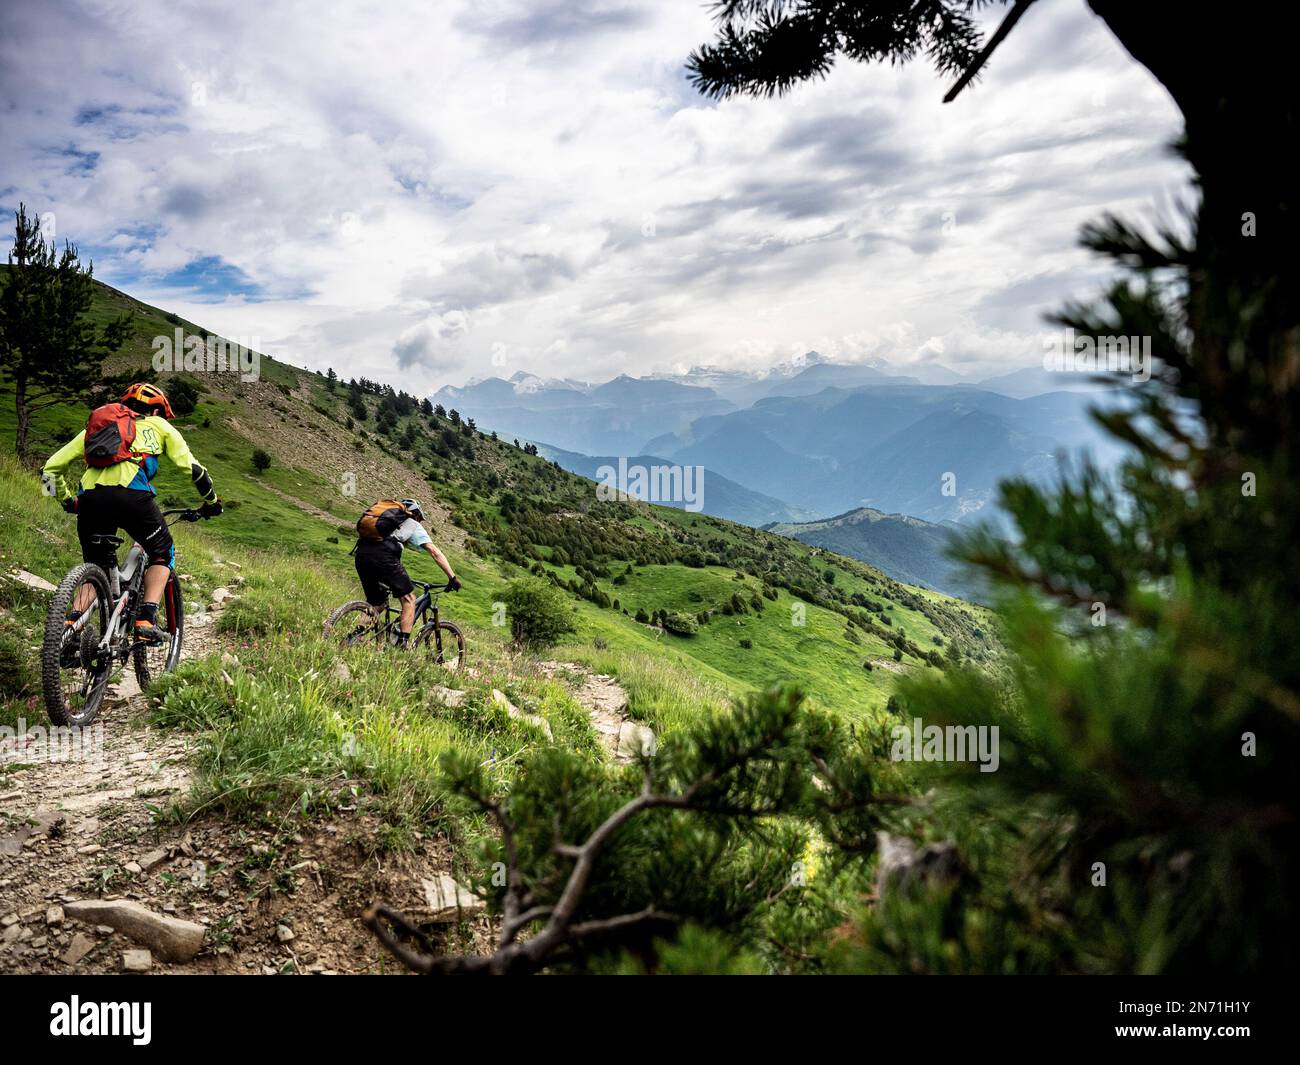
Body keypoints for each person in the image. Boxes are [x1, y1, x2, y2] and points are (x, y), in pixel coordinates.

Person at [43, 382, 222, 643]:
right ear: (157, 412)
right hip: (132, 496)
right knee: (162, 552)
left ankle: (70, 628)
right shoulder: (160, 426)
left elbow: (49, 469)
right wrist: (212, 502)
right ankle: (145, 620)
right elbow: (195, 471)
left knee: (97, 566)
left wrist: (68, 501)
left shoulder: (99, 427)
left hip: (90, 498)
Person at [354, 498, 459, 645]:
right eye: (420, 518)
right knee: (409, 599)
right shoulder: (412, 523)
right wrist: (452, 578)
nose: (419, 522)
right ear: (415, 514)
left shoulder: (387, 523)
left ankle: (355, 636)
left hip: (361, 554)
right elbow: (435, 552)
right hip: (384, 557)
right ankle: (401, 646)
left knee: (376, 602)